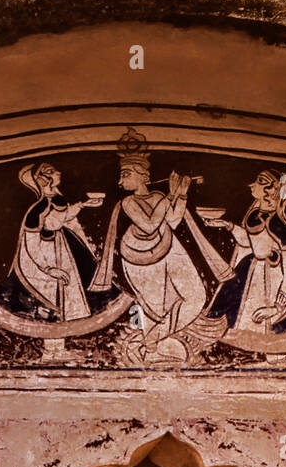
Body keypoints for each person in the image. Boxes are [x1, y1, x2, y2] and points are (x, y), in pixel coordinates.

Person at [91, 129, 230, 360]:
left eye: (125, 175)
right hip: (139, 259)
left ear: (142, 175)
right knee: (156, 307)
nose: (120, 181)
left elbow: (173, 221)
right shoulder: (128, 203)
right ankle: (152, 348)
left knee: (196, 297)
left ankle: (149, 342)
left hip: (168, 247)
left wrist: (181, 195)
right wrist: (169, 198)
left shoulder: (157, 197)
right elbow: (148, 226)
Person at [0, 162, 104, 322]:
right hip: (44, 257)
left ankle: (73, 317)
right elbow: (31, 245)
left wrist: (82, 205)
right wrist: (48, 269)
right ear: (43, 179)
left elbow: (63, 217)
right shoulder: (38, 209)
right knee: (59, 291)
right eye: (52, 171)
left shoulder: (57, 199)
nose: (58, 172)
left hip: (61, 247)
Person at [205, 170, 286, 334]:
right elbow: (250, 242)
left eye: (259, 181)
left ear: (270, 189)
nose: (252, 184)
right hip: (250, 272)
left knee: (258, 330)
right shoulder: (256, 215)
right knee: (233, 318)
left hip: (269, 280)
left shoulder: (282, 228)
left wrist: (276, 307)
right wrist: (227, 226)